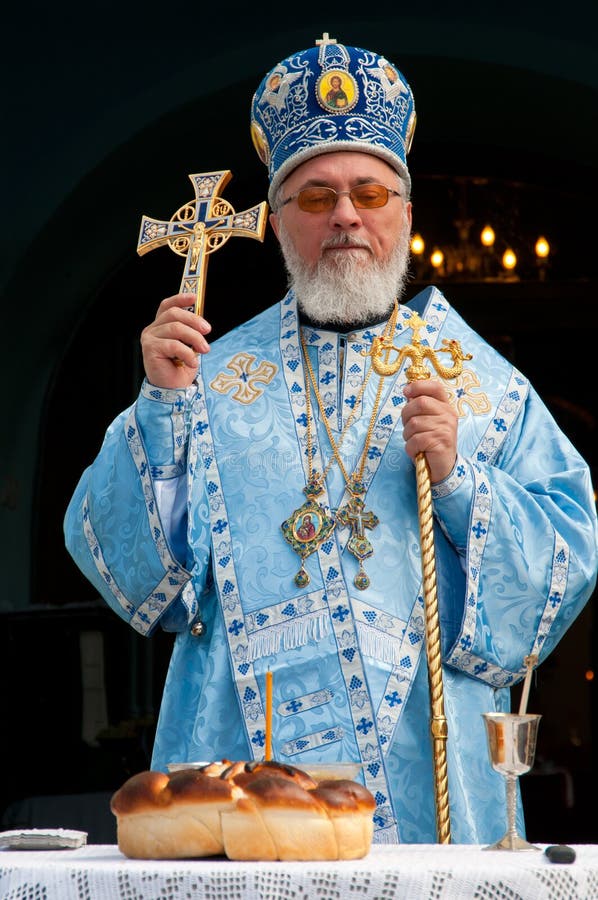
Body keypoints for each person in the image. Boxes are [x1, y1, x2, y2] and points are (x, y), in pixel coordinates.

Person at [64, 35, 598, 844]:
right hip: (242, 772)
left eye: (371, 194)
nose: (346, 215)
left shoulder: (481, 387)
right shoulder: (203, 376)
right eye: (316, 198)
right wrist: (159, 416)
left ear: (407, 213)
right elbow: (140, 581)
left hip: (432, 777)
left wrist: (461, 484)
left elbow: (565, 564)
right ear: (277, 222)